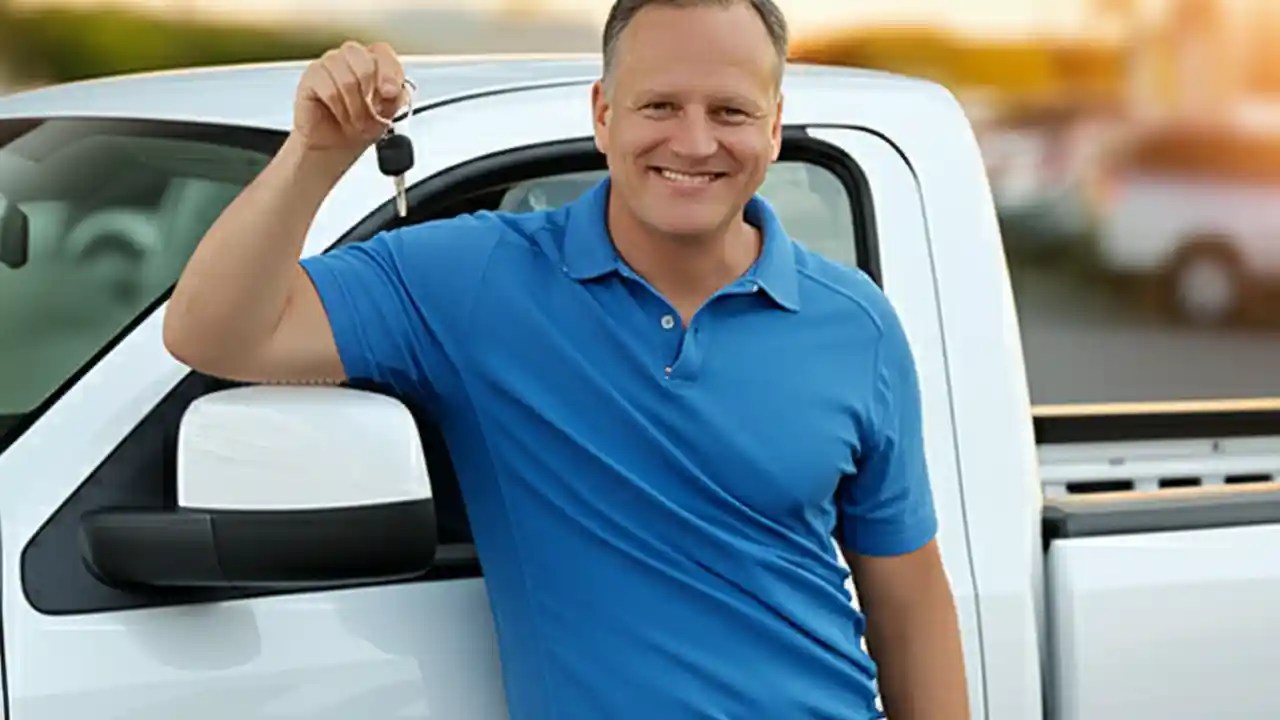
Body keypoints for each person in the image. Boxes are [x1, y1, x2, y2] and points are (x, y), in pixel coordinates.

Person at [163, 0, 971, 717]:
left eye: (730, 110)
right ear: (603, 114)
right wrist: (316, 152)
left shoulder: (856, 323)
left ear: (772, 124)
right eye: (660, 105)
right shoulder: (474, 281)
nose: (695, 142)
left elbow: (908, 602)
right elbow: (217, 331)